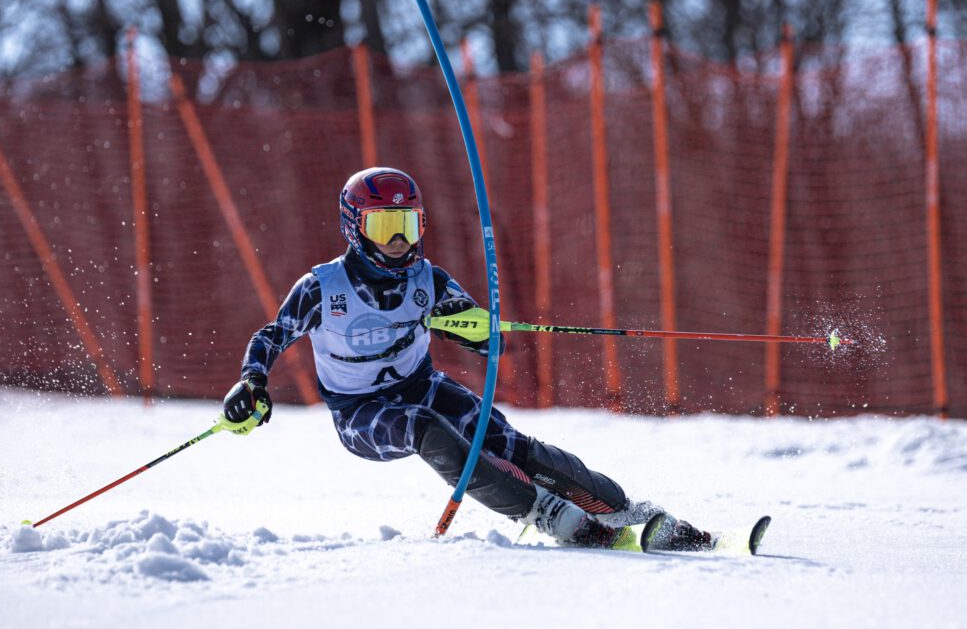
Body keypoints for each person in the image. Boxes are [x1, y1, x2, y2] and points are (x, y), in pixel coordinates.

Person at [220, 166, 712, 550]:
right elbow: (271, 336)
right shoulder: (322, 288)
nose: (398, 242)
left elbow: (484, 335)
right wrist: (251, 383)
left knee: (505, 440)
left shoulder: (427, 280)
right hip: (361, 412)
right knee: (426, 427)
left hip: (421, 383)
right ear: (355, 227)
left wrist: (482, 331)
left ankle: (628, 512)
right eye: (385, 226)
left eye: (407, 225)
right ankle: (547, 514)